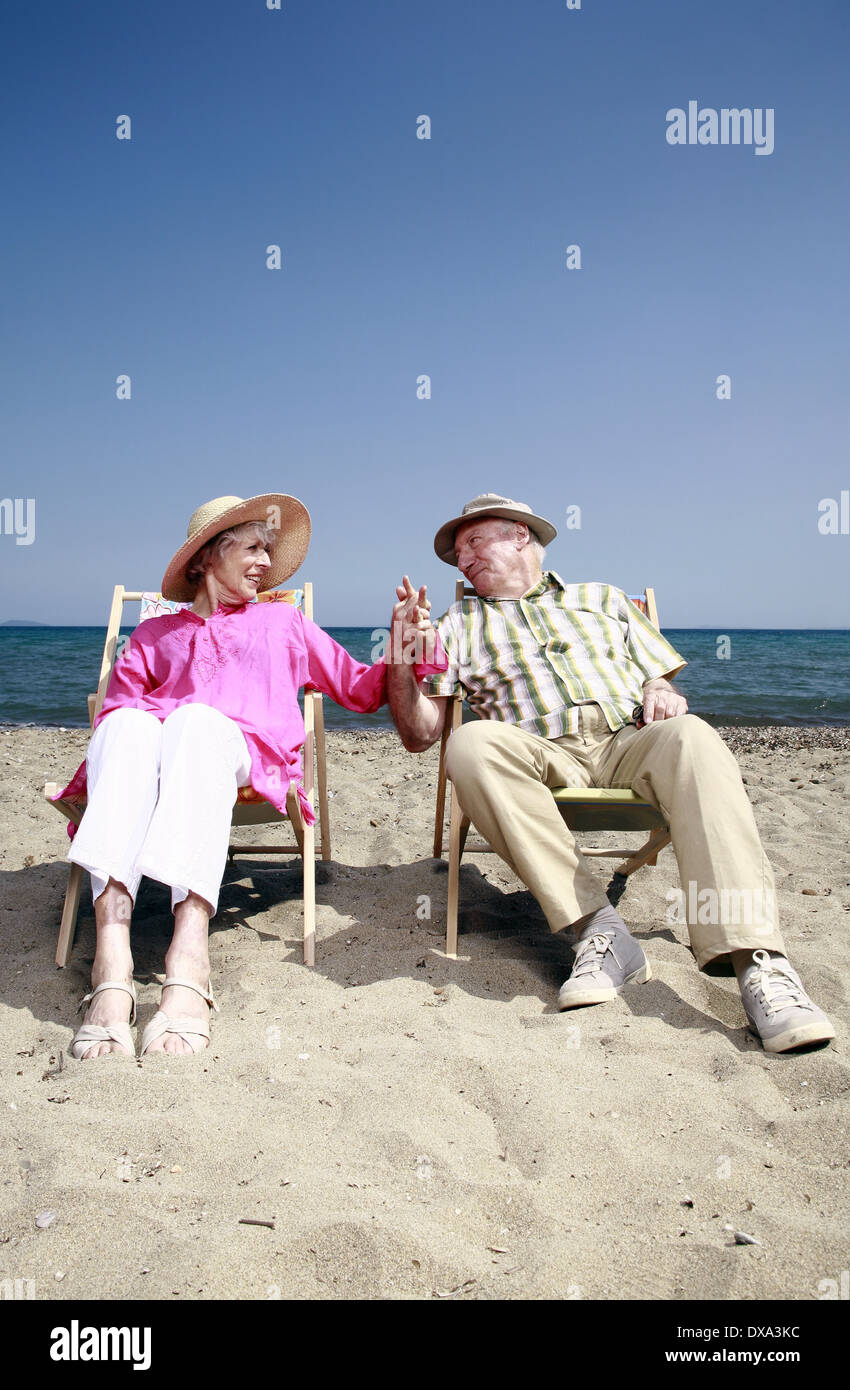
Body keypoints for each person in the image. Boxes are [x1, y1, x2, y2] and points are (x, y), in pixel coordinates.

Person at [387, 493, 835, 1054]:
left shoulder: (601, 598)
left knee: (694, 735)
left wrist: (659, 688)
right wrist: (402, 648)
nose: (463, 559)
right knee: (470, 742)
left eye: (474, 541)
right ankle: (597, 930)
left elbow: (662, 677)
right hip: (538, 752)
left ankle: (759, 961)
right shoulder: (458, 622)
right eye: (456, 555)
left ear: (522, 535)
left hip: (628, 737)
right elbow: (419, 733)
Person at [60, 493, 437, 1060]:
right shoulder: (153, 637)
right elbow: (117, 715)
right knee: (124, 730)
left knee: (197, 723)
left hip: (241, 755)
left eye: (268, 550)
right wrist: (142, 728)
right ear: (207, 558)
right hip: (160, 764)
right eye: (255, 547)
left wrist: (404, 636)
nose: (266, 562)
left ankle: (188, 955)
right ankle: (111, 956)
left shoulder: (283, 621)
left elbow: (363, 689)